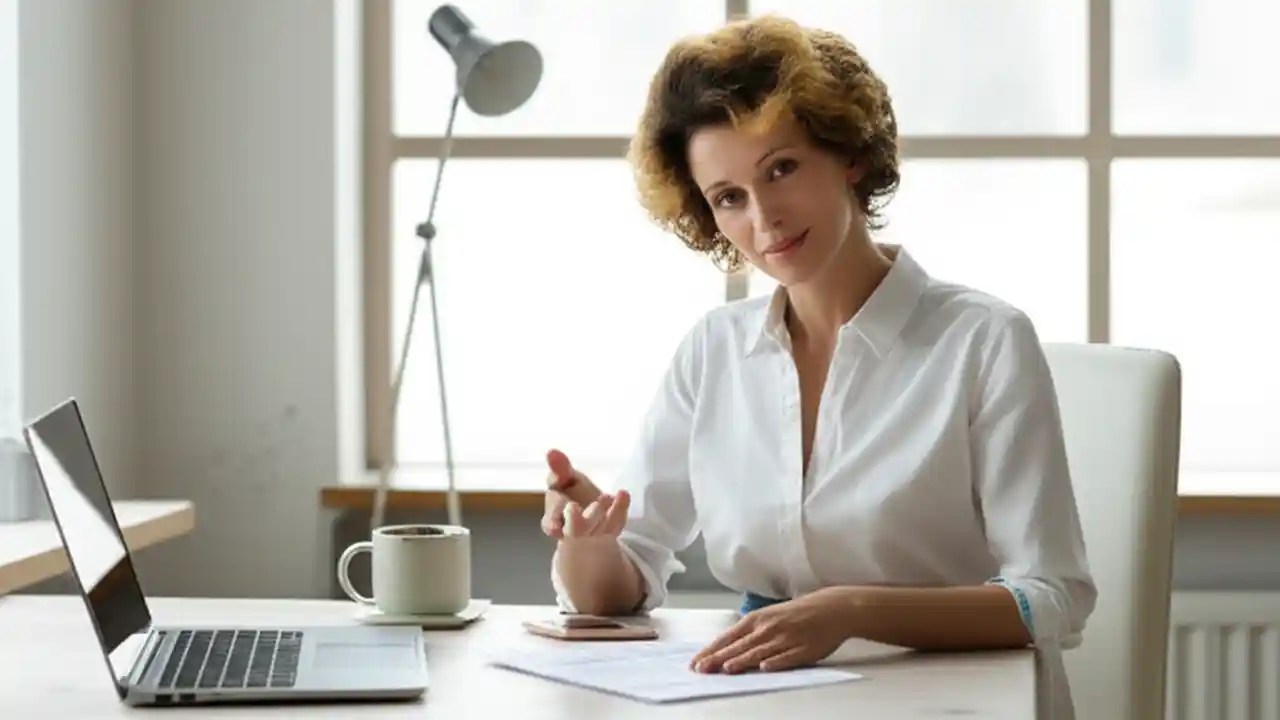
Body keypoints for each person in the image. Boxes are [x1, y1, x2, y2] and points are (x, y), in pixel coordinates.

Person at [541, 14, 1095, 719]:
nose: (764, 219)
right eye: (729, 198)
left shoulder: (983, 341)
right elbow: (617, 587)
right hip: (764, 698)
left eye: (782, 169)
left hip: (952, 697)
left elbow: (1053, 595)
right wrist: (591, 543)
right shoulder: (713, 351)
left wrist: (852, 611)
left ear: (849, 153)